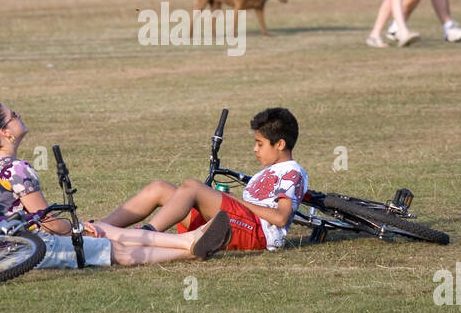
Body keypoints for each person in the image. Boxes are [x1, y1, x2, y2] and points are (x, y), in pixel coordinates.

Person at [85, 108, 308, 264]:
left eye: (259, 144)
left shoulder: (292, 171)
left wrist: (236, 202)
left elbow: (280, 218)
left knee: (193, 186)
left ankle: (143, 238)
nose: (255, 149)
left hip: (258, 235)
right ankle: (92, 231)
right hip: (241, 224)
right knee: (160, 188)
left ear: (280, 144)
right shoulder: (267, 171)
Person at [0, 102, 113, 267]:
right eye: (13, 115)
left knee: (111, 236)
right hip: (21, 251)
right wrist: (81, 228)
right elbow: (50, 224)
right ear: (5, 132)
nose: (19, 116)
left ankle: (143, 234)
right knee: (115, 248)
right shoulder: (15, 169)